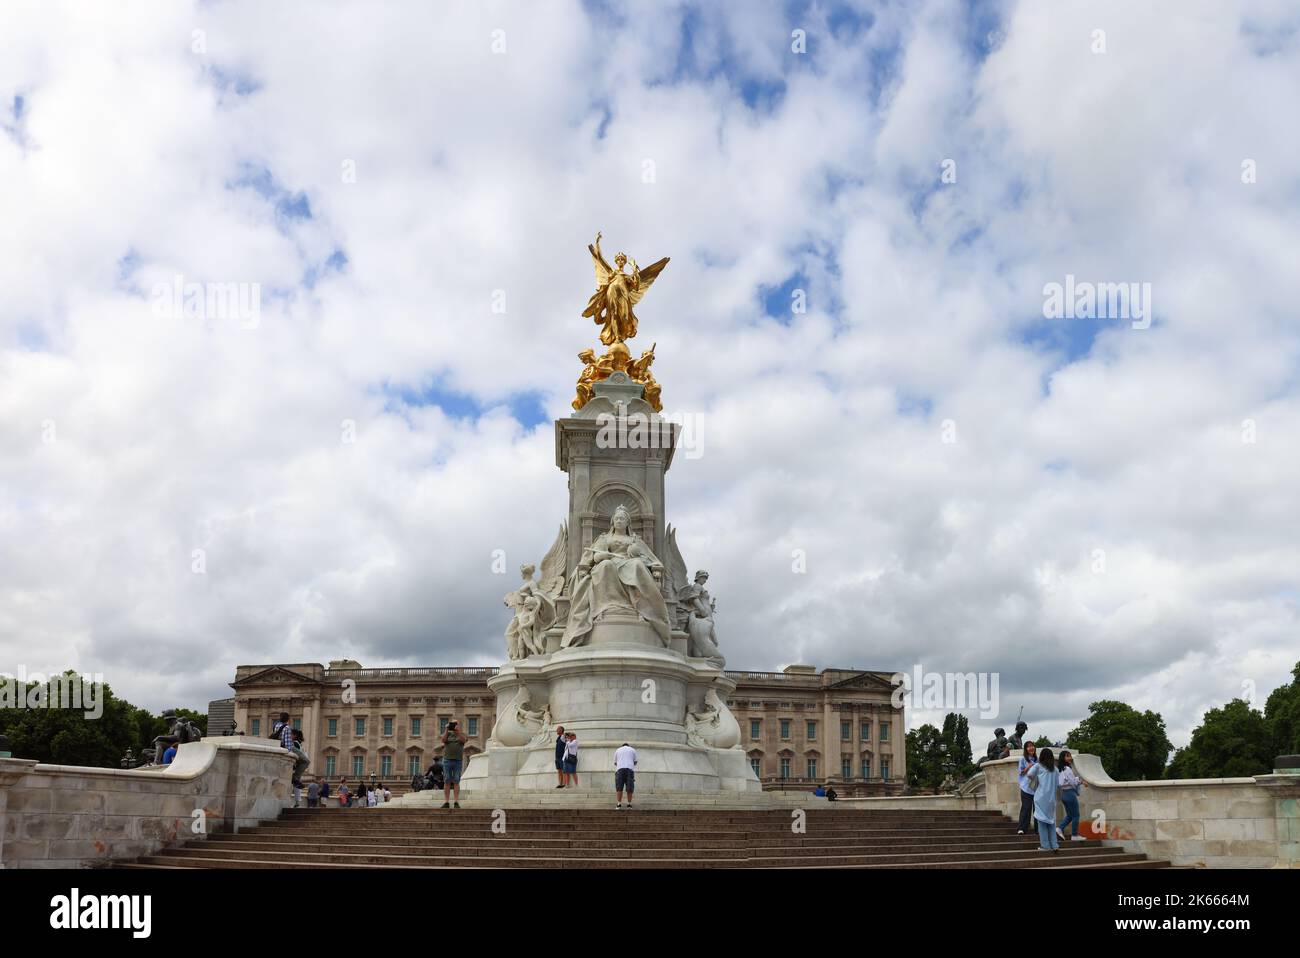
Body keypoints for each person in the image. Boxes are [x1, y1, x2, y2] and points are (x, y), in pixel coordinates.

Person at [1025, 747, 1060, 852]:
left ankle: (1045, 846)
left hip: (1040, 798)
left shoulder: (1038, 766)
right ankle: (1054, 845)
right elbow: (1058, 784)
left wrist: (1036, 778)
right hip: (1051, 799)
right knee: (1051, 821)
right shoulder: (1056, 769)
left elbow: (1029, 775)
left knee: (1041, 822)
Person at [1058, 750, 1085, 841]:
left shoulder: (1061, 769)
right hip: (1070, 793)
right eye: (1067, 756)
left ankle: (1059, 828)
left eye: (1070, 756)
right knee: (1076, 815)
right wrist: (1080, 781)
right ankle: (1074, 835)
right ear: (1063, 758)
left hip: (1064, 794)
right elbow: (1073, 782)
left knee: (1070, 815)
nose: (1070, 758)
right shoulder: (1067, 769)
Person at [441, 719, 468, 809]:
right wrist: (446, 729)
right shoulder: (447, 734)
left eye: (456, 723)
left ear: (459, 725)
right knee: (447, 780)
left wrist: (457, 732)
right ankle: (446, 802)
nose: (454, 725)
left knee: (456, 780)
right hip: (447, 760)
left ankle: (456, 801)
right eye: (452, 724)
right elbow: (443, 740)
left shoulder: (462, 734)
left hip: (458, 761)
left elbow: (463, 740)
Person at [1016, 741, 1038, 835]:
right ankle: (1022, 828)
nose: (1031, 748)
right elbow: (1021, 773)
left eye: (1032, 746)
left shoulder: (1037, 759)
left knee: (1037, 809)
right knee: (1026, 808)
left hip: (1036, 787)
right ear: (1025, 749)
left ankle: (1038, 829)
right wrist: (1028, 767)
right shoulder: (1023, 759)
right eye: (1028, 747)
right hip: (1026, 788)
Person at [614, 742, 637, 809]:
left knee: (619, 788)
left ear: (622, 746)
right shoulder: (632, 750)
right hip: (629, 769)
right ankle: (629, 804)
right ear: (628, 746)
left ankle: (619, 804)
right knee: (629, 788)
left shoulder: (618, 750)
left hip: (620, 769)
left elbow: (615, 763)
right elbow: (635, 762)